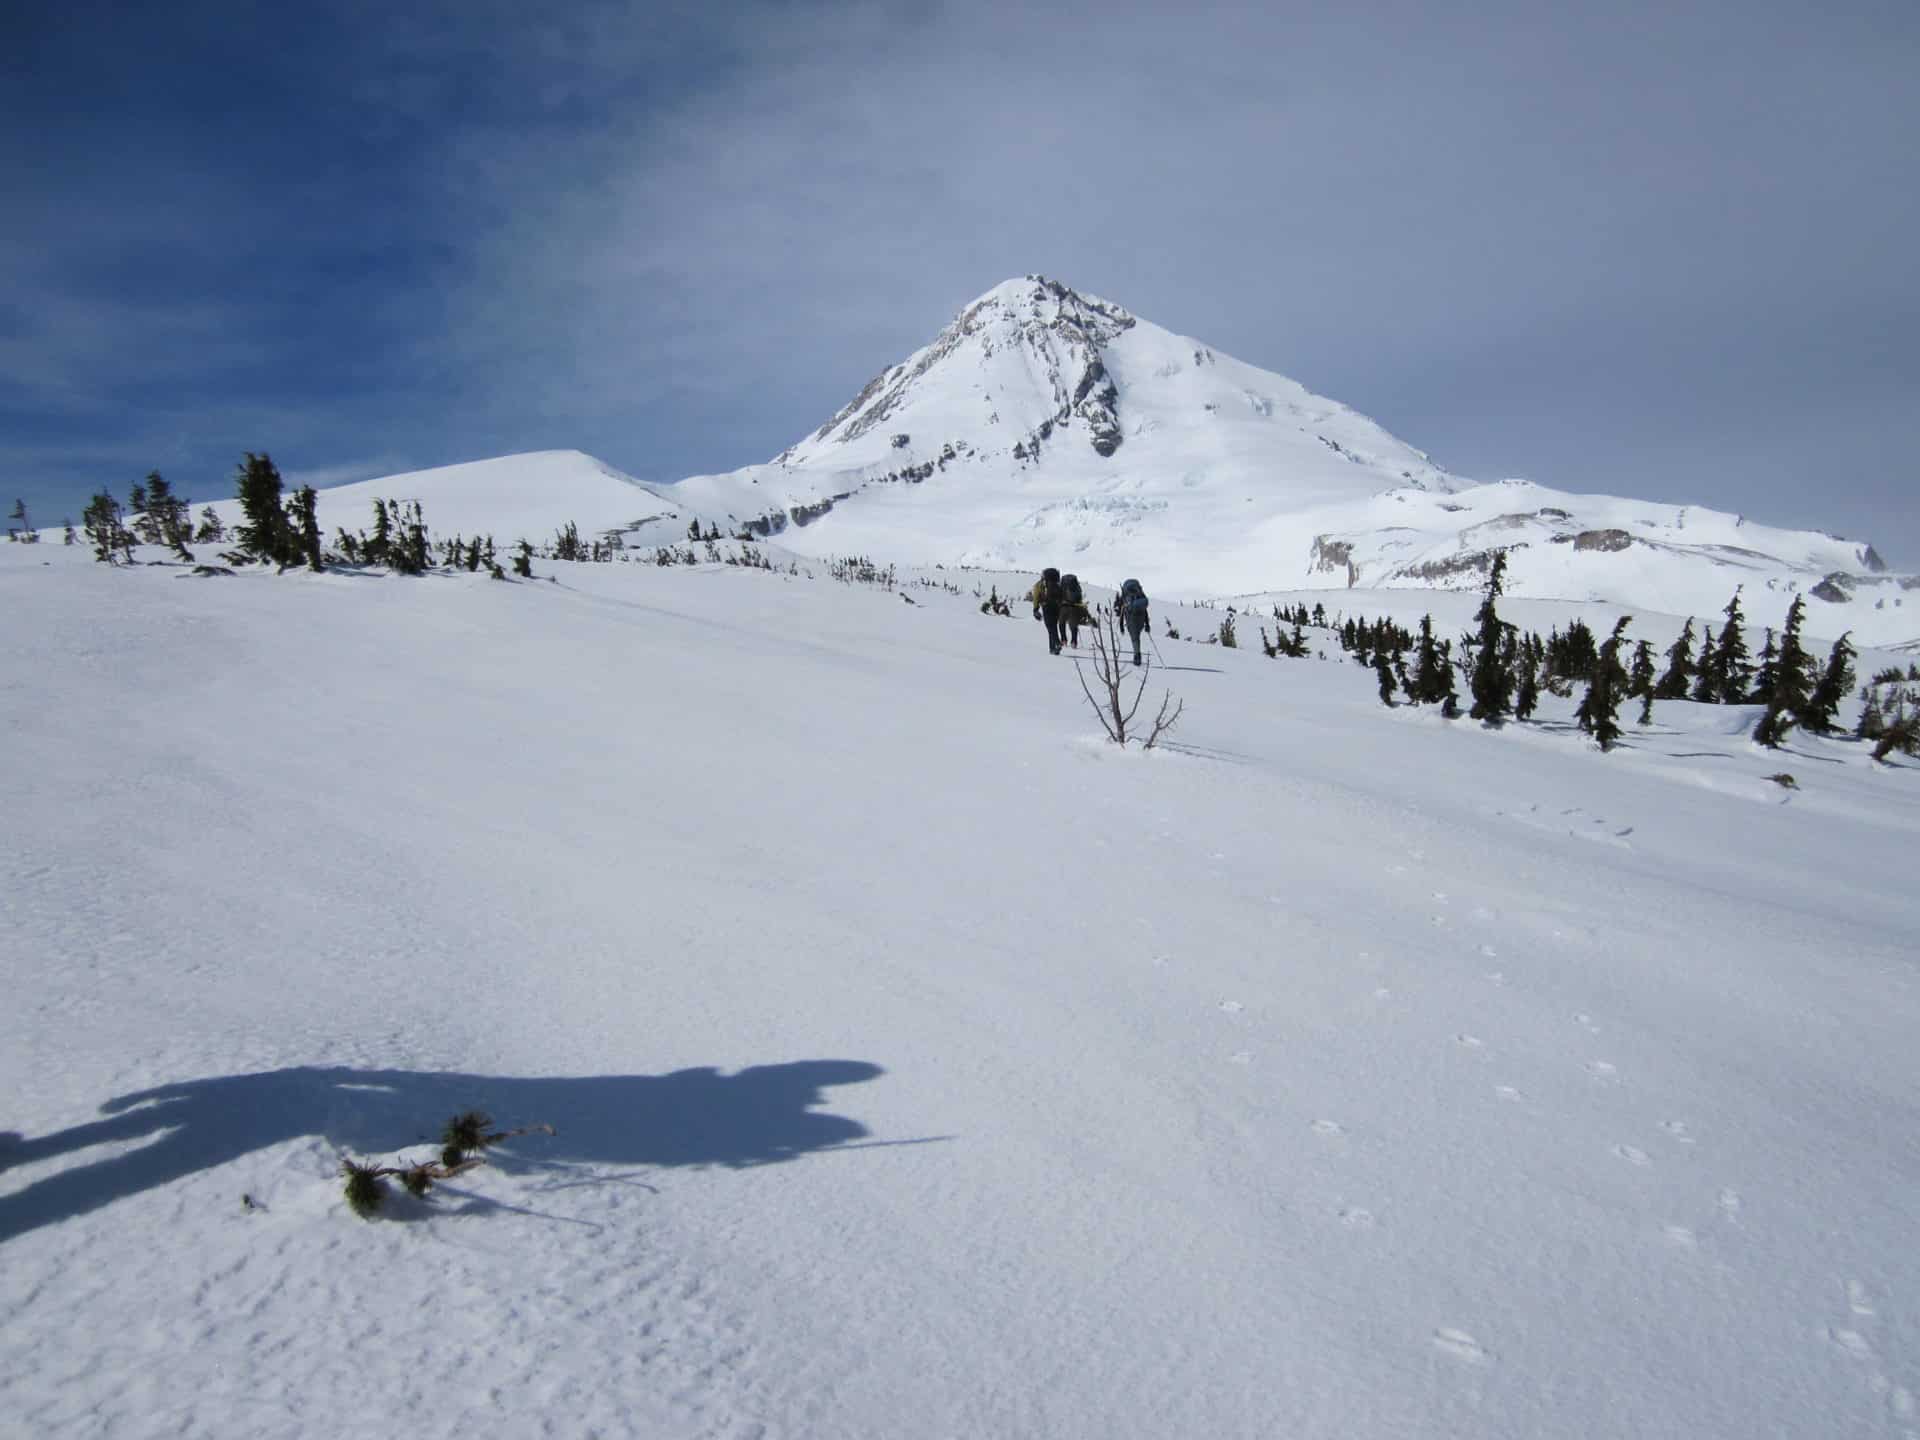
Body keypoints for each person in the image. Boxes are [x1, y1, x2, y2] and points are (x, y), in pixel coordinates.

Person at [1029, 567, 1065, 654]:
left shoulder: (1040, 584)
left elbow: (1036, 597)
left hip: (1046, 606)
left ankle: (1056, 643)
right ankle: (1053, 649)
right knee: (1053, 627)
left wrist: (1035, 609)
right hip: (1057, 607)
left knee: (1050, 626)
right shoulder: (1058, 584)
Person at [1117, 578, 1150, 666]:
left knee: (1135, 638)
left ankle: (1137, 656)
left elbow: (1122, 612)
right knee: (1136, 637)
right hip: (1141, 618)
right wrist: (1147, 624)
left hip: (1132, 618)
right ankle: (1137, 654)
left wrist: (1121, 626)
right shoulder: (1140, 595)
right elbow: (1145, 610)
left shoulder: (1126, 597)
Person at [1060, 573, 1089, 647]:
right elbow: (1079, 597)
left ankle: (1063, 640)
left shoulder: (1062, 586)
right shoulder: (1077, 587)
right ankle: (1074, 642)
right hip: (1074, 607)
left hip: (1063, 607)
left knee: (1061, 623)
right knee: (1073, 626)